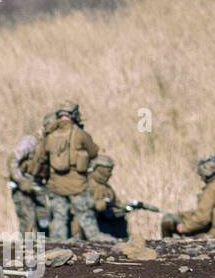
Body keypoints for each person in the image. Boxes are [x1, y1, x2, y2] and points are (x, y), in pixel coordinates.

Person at [40, 101, 99, 240]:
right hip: (77, 184)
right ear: (74, 115)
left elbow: (41, 158)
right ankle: (95, 240)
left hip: (55, 185)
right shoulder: (80, 134)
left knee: (59, 217)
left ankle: (58, 243)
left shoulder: (49, 136)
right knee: (85, 216)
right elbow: (93, 152)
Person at [74, 154, 129, 241]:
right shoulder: (84, 185)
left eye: (110, 170)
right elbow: (79, 204)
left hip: (106, 222)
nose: (109, 174)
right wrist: (96, 205)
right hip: (89, 223)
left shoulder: (107, 188)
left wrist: (123, 208)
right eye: (106, 170)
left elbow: (116, 204)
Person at [8, 128, 47, 235]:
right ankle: (26, 249)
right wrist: (20, 181)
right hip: (22, 188)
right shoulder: (31, 141)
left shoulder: (50, 143)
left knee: (44, 222)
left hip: (39, 188)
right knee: (28, 222)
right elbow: (12, 159)